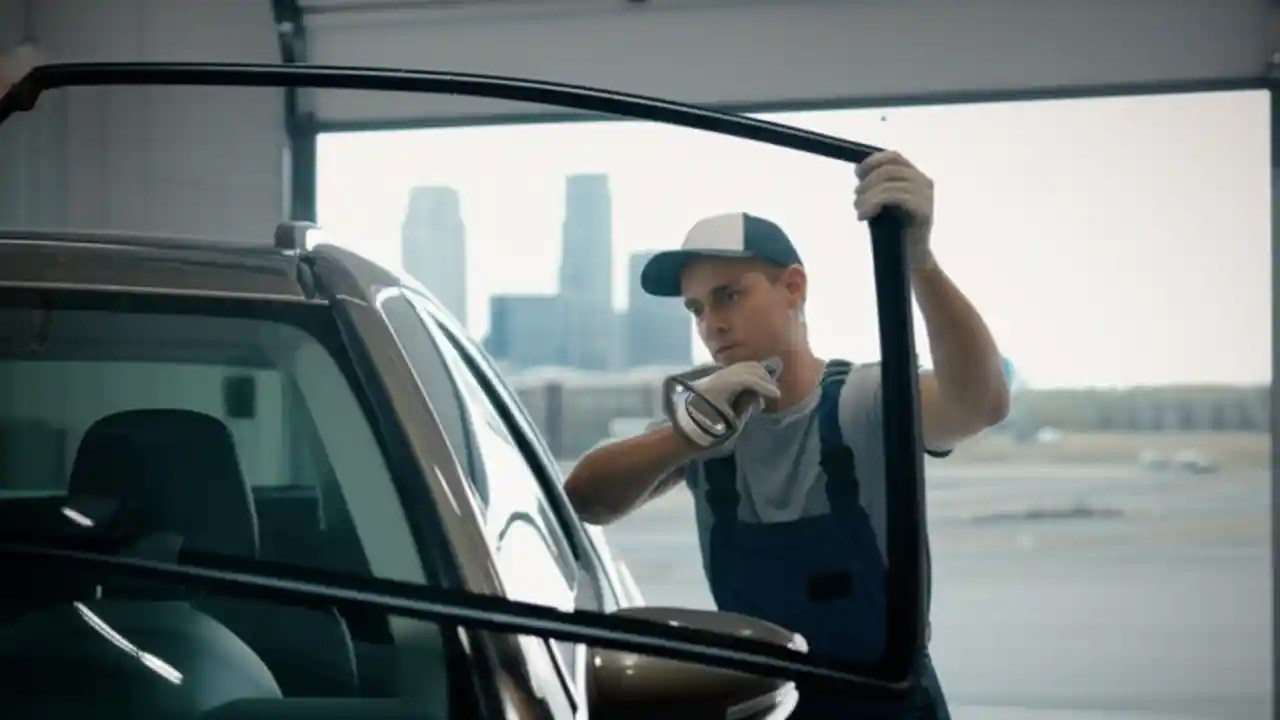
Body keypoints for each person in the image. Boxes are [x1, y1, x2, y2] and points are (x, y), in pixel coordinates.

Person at [563, 150, 1011, 719]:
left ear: (793, 287)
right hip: (762, 707)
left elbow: (981, 402)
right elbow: (585, 498)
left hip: (885, 706)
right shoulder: (707, 419)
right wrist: (687, 438)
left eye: (730, 295)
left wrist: (918, 261)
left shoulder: (863, 400)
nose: (711, 324)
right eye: (696, 308)